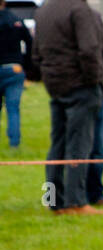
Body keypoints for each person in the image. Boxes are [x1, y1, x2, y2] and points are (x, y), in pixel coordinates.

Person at [33, 0, 103, 214]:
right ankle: (76, 202)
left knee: (57, 146)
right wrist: (95, 79)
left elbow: (36, 53)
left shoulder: (43, 11)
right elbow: (89, 49)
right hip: (81, 86)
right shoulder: (79, 9)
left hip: (56, 85)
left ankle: (53, 200)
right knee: (79, 145)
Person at [0, 0, 33, 148]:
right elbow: (30, 43)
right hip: (14, 68)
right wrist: (24, 64)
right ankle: (14, 143)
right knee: (13, 108)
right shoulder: (15, 20)